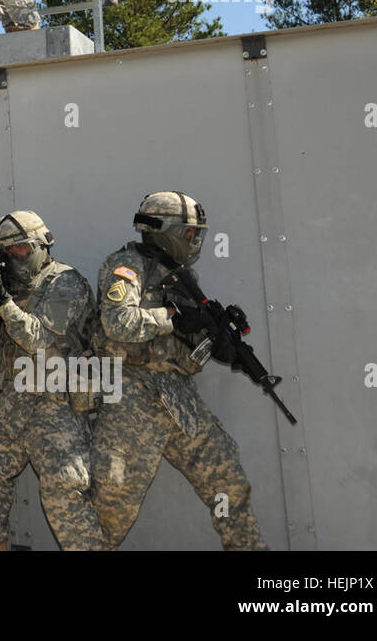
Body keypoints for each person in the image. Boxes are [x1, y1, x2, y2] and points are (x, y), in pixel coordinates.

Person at [89, 192, 267, 550]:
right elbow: (118, 323)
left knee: (228, 481)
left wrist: (218, 339)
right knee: (111, 512)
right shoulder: (126, 265)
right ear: (165, 232)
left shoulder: (183, 276)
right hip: (131, 403)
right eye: (189, 233)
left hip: (178, 399)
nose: (194, 241)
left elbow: (188, 350)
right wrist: (171, 318)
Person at [0, 211, 107, 550]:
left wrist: (3, 303)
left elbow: (39, 338)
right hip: (16, 399)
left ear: (42, 244)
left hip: (56, 401)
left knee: (65, 488)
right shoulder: (11, 287)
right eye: (7, 251)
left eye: (21, 248)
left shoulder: (65, 281)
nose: (14, 256)